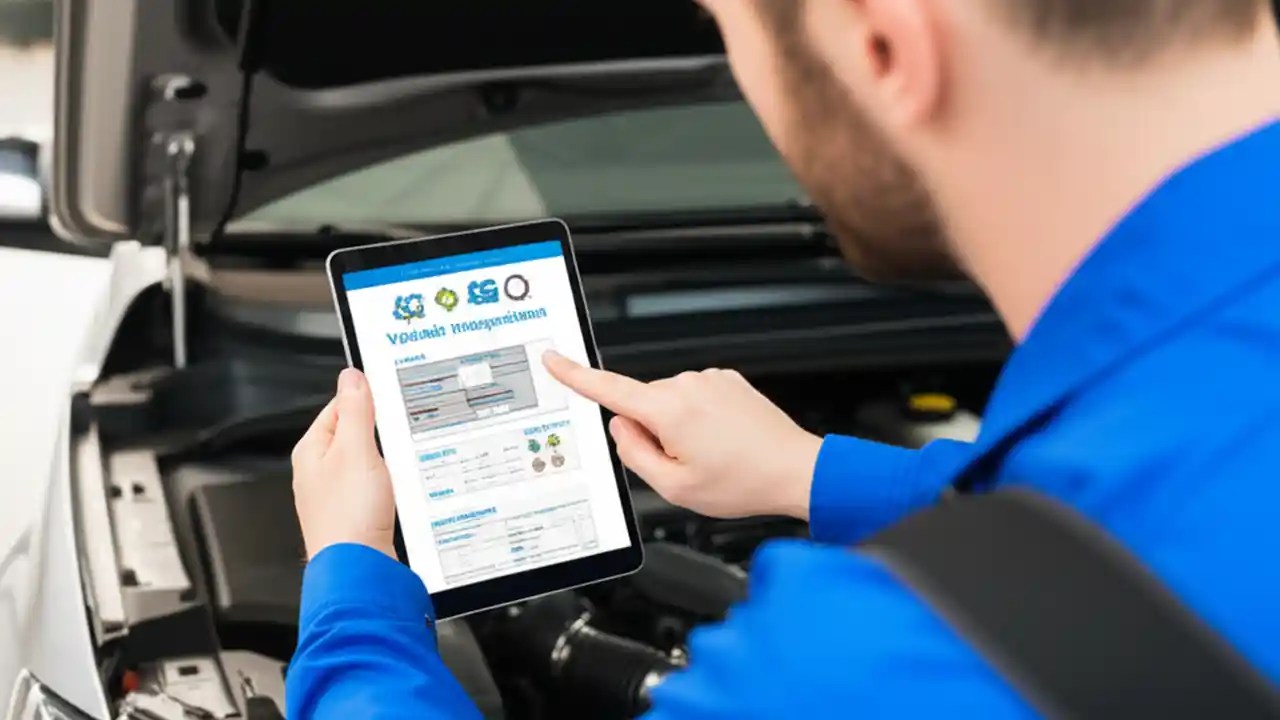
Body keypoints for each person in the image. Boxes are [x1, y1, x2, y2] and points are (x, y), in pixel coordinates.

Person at [286, 0, 1280, 716]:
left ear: (883, 43)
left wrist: (352, 583)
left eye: (732, 33)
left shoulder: (865, 672)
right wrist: (810, 471)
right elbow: (1138, 534)